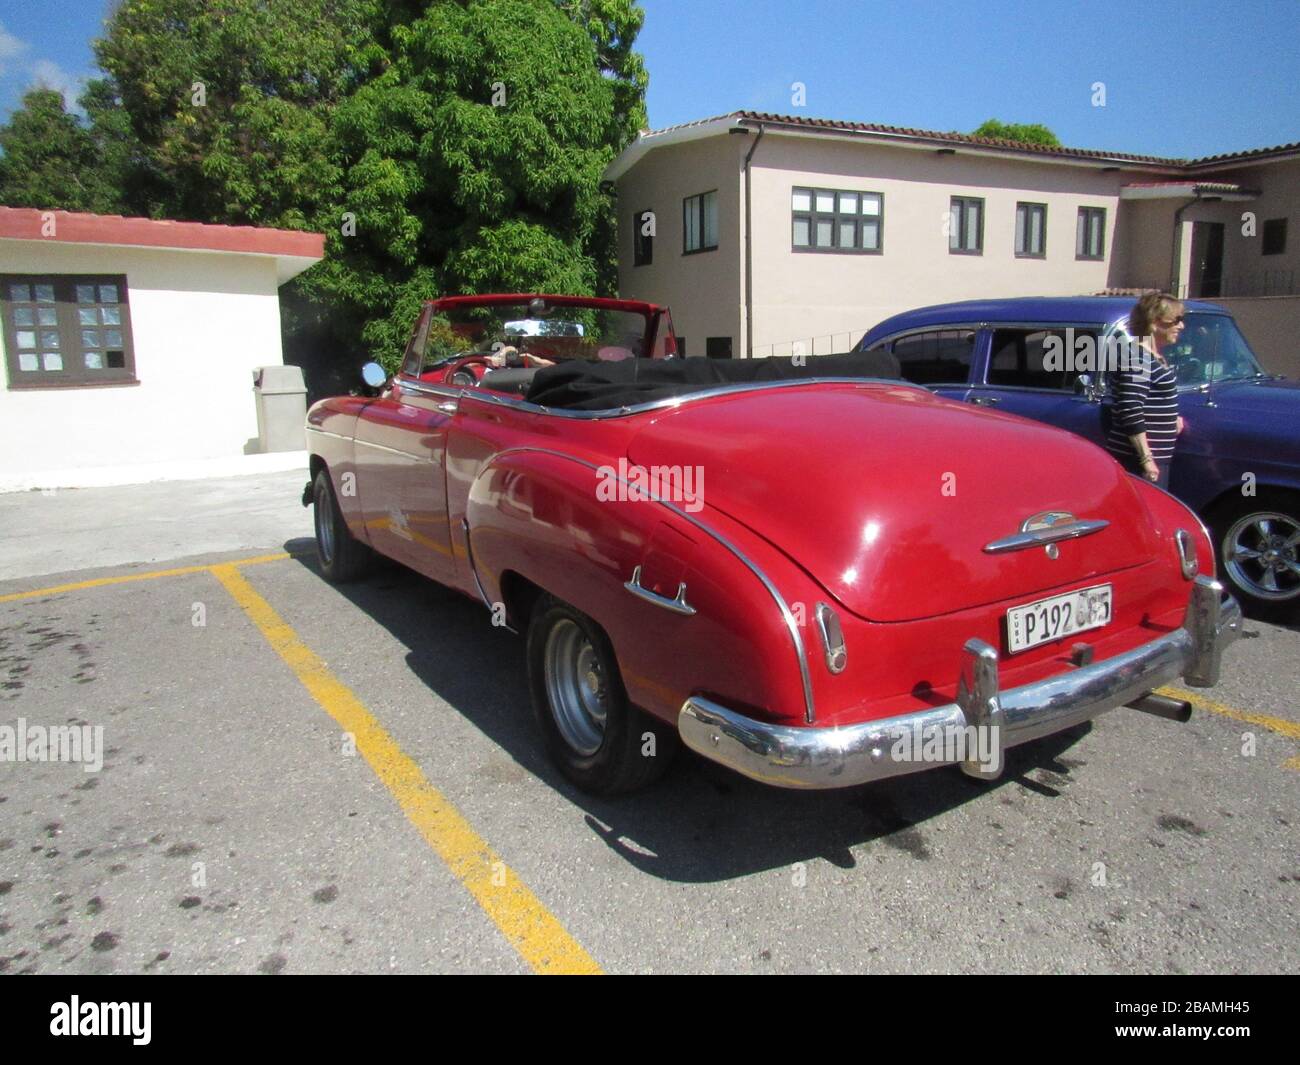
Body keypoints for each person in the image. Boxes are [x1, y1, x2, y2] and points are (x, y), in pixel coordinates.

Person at [1106, 292, 1186, 488]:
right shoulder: (1138, 358)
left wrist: (1171, 416)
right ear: (1154, 322)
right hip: (1137, 462)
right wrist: (1146, 459)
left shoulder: (1152, 356)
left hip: (1156, 458)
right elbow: (1130, 408)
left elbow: (1152, 397)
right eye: (1176, 320)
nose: (1181, 326)